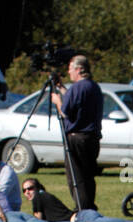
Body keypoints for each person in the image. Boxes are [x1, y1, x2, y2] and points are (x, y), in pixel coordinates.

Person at [50, 54, 102, 211]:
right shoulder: (93, 87)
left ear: (79, 69)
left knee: (76, 176)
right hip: (91, 138)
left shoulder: (77, 88)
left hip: (76, 138)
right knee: (88, 175)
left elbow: (66, 113)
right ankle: (89, 206)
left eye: (70, 69)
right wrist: (62, 89)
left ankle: (82, 208)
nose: (69, 72)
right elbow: (76, 103)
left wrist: (58, 101)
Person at [23, 177, 133, 222]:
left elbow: (38, 221)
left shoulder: (38, 197)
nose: (27, 192)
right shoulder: (43, 195)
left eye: (30, 188)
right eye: (24, 190)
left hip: (82, 218)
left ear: (37, 187)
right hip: (84, 215)